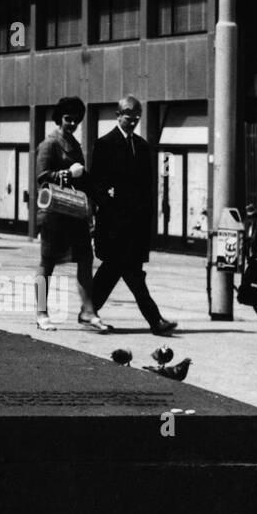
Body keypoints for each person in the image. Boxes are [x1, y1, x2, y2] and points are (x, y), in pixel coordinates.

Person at [90, 96, 177, 336]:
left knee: (113, 272)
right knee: (131, 274)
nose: (133, 120)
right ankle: (155, 320)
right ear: (118, 115)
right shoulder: (105, 144)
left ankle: (88, 309)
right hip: (114, 224)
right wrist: (110, 209)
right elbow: (97, 186)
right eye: (128, 115)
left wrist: (147, 220)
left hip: (136, 225)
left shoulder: (142, 146)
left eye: (137, 116)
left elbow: (147, 187)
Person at [35, 96, 107, 332]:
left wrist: (93, 206)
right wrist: (67, 173)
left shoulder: (74, 144)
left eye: (76, 120)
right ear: (59, 118)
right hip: (55, 213)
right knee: (48, 263)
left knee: (85, 259)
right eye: (68, 119)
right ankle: (42, 312)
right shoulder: (50, 143)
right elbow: (41, 177)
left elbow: (83, 179)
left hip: (75, 212)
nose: (72, 123)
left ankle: (88, 311)